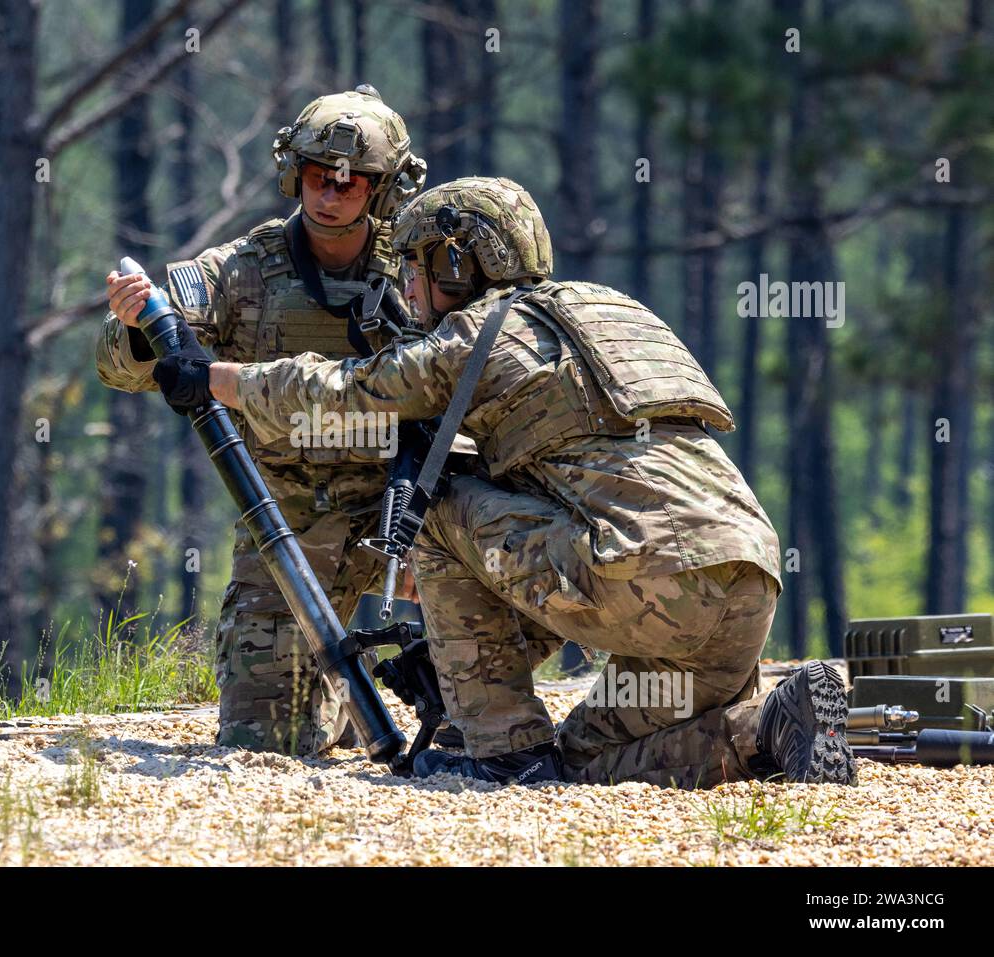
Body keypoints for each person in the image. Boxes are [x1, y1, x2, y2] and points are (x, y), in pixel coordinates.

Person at [157, 176, 857, 788]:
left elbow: (347, 391)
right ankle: (768, 726)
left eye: (418, 267)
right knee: (581, 759)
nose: (407, 287)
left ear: (456, 266)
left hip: (639, 578)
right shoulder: (611, 312)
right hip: (745, 584)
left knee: (435, 509)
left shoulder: (479, 337)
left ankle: (500, 748)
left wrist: (216, 379)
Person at [96, 86, 427, 757]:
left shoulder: (421, 269)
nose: (330, 195)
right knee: (270, 741)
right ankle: (333, 696)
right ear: (292, 174)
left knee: (487, 718)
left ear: (383, 190)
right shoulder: (242, 270)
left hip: (416, 510)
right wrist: (136, 326)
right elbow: (121, 367)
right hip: (293, 527)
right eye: (316, 177)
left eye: (350, 183)